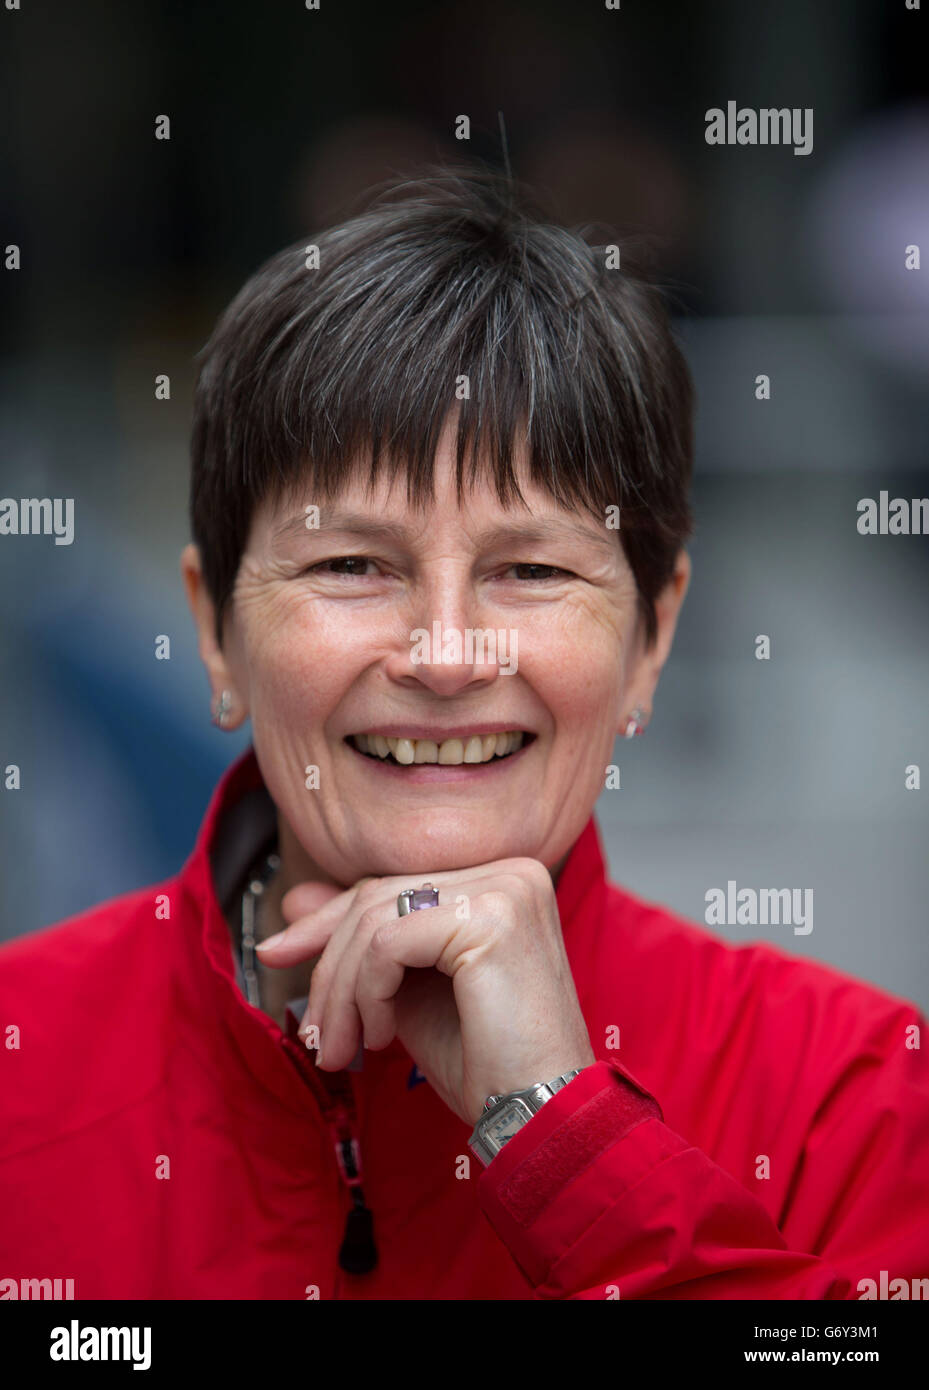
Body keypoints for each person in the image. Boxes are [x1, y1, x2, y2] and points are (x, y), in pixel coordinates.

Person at [1, 165, 927, 1301]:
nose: (445, 655)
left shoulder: (855, 1098)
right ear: (214, 632)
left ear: (649, 639)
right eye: (351, 565)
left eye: (529, 570)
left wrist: (560, 1130)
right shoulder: (18, 1062)